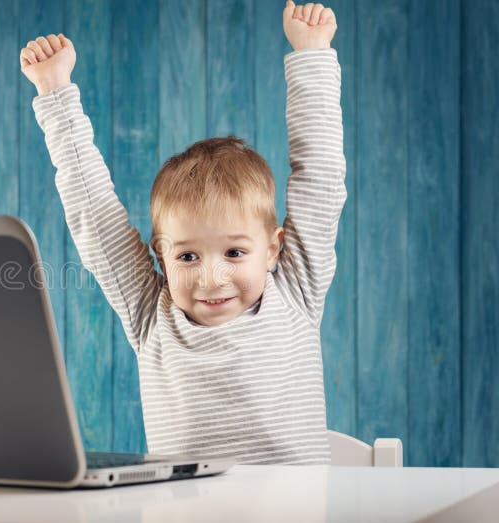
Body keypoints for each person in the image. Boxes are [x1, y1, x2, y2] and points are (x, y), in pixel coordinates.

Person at [19, 0, 344, 464]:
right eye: (188, 257)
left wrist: (311, 55)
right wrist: (54, 93)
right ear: (161, 255)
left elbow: (322, 181)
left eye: (234, 252)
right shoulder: (152, 314)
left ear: (273, 249)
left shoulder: (296, 290)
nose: (211, 277)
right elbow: (97, 219)